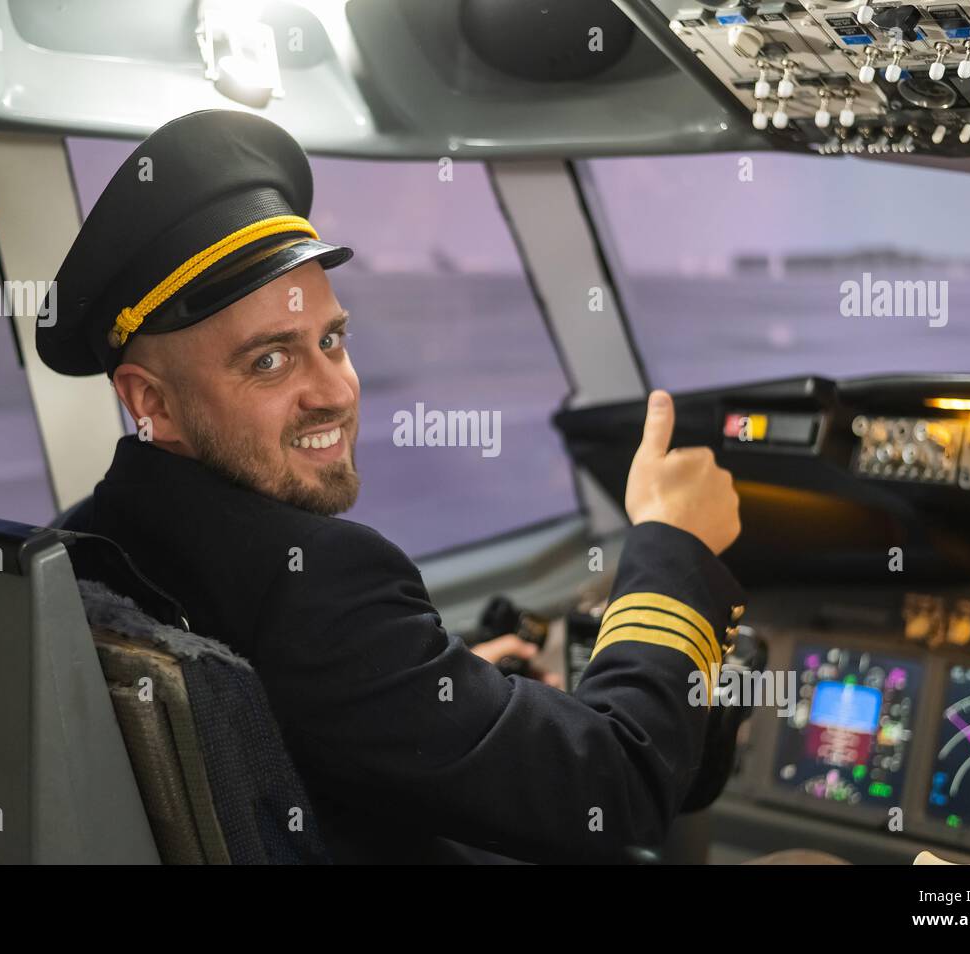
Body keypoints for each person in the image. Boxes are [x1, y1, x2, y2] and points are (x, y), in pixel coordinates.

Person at [38, 109, 743, 863]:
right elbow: (618, 788)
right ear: (151, 402)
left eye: (331, 340)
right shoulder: (316, 584)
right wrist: (673, 550)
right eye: (269, 362)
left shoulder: (77, 547)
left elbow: (316, 708)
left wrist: (435, 687)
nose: (333, 393)